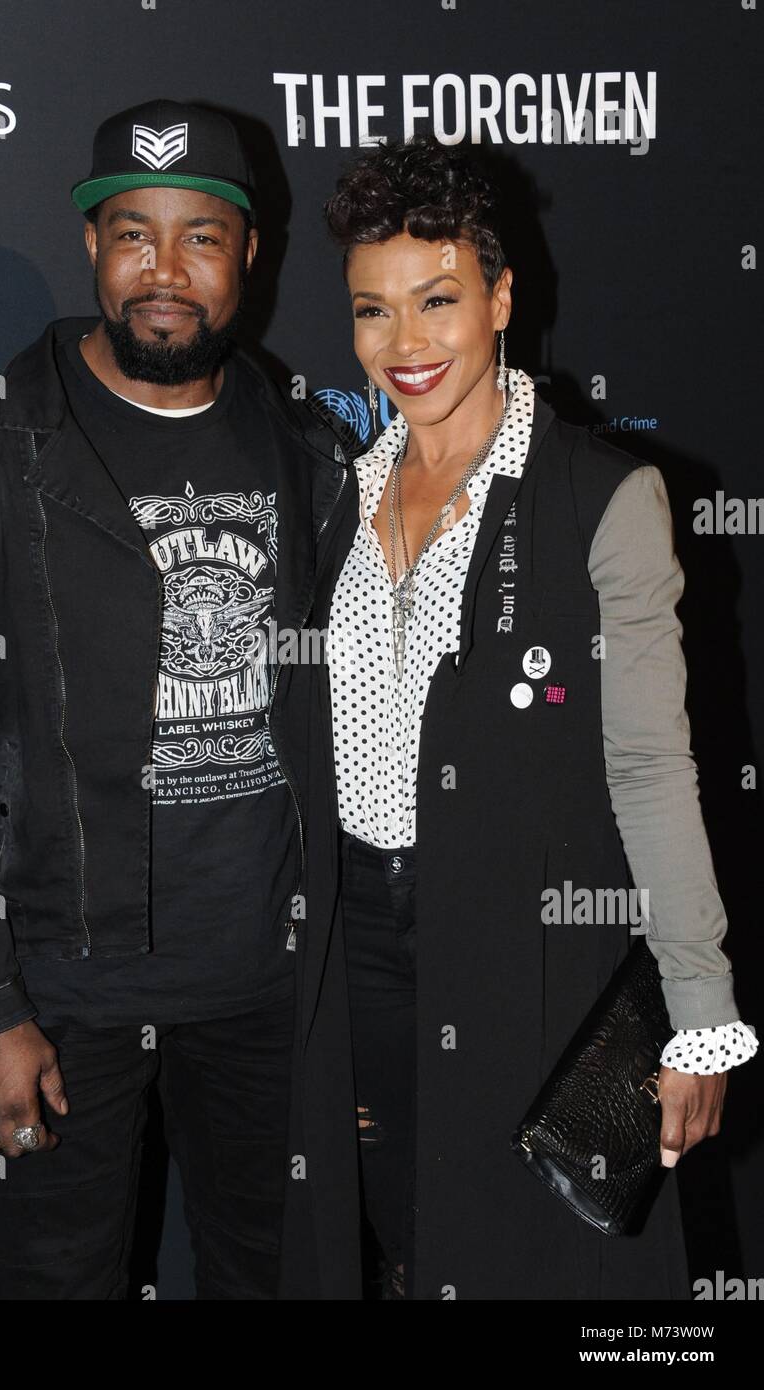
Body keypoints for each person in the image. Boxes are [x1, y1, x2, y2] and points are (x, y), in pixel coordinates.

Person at [0, 98, 351, 1300]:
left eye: (201, 238)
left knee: (281, 1276)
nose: (165, 272)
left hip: (267, 982)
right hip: (64, 994)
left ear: (249, 256)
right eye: (133, 234)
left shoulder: (308, 450)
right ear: (92, 247)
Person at [279, 135, 758, 1301]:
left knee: (539, 1261)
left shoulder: (606, 498)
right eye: (373, 312)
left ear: (499, 297)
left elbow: (651, 766)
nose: (405, 345)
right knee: (397, 1244)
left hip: (537, 953)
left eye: (437, 301)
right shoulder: (339, 494)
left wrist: (699, 1008)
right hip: (364, 956)